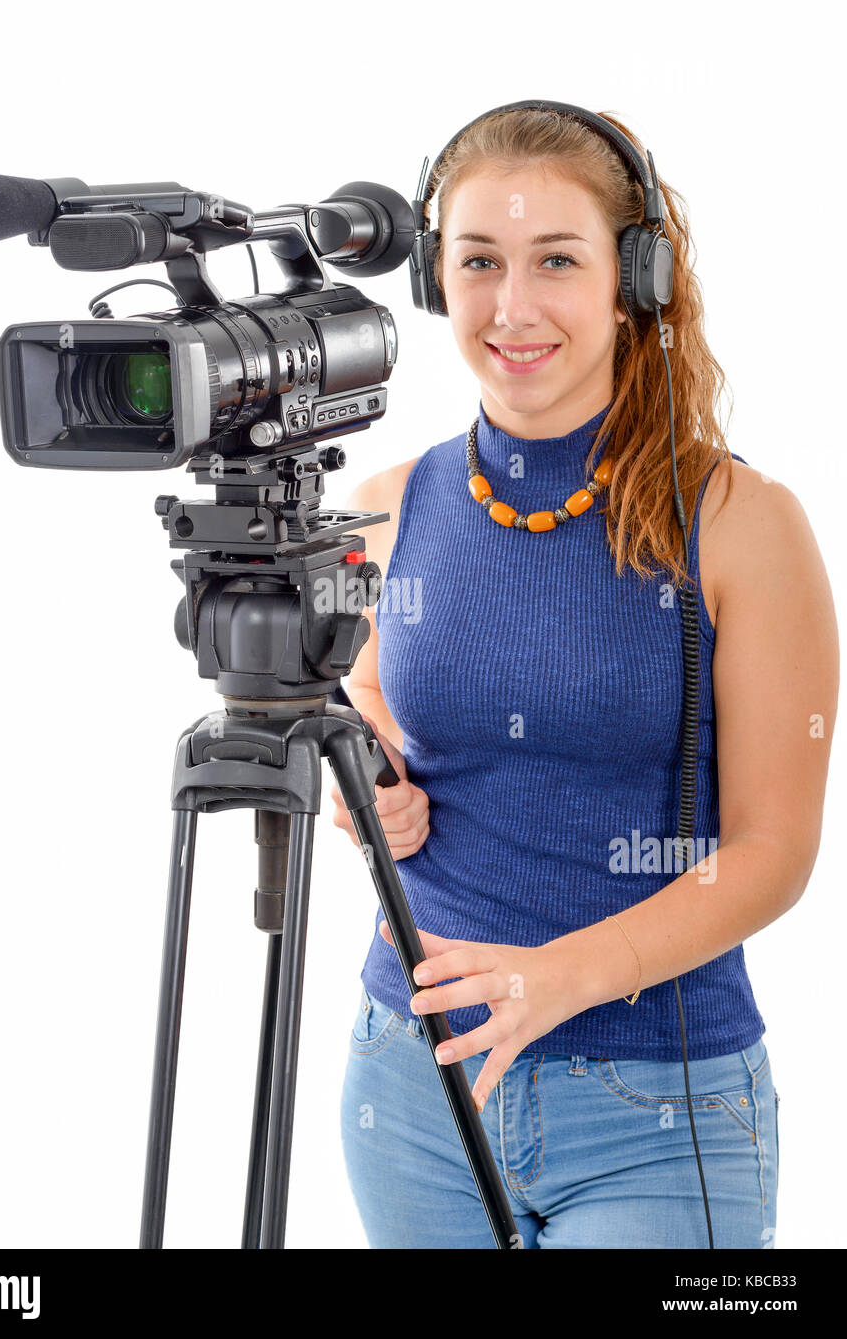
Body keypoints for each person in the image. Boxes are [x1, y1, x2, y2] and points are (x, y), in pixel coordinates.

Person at [330, 105, 839, 1249]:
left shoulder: (743, 524)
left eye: (556, 260)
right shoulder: (384, 505)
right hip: (414, 1088)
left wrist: (558, 978)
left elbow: (774, 849)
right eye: (477, 263)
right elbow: (367, 702)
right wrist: (373, 789)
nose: (512, 308)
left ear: (635, 279)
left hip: (658, 1112)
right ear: (432, 279)